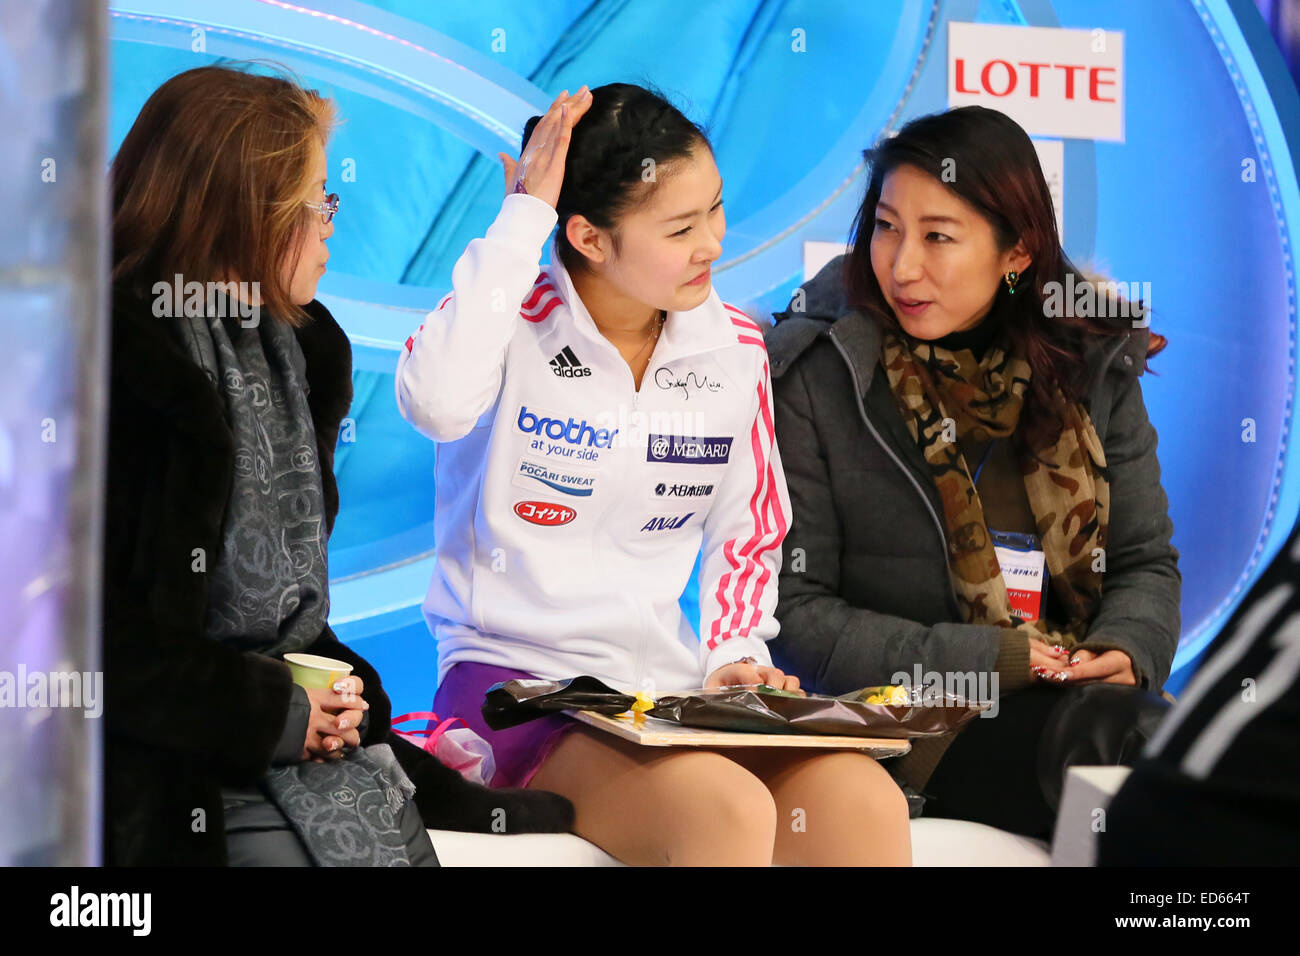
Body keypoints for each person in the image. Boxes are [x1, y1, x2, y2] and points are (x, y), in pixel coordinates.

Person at [397, 82, 911, 866]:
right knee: (724, 810)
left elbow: (748, 529)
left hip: (663, 694)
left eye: (715, 210)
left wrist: (735, 652)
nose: (712, 244)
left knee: (860, 796)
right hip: (512, 689)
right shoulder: (503, 322)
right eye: (680, 227)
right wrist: (523, 218)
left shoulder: (734, 348)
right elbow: (434, 403)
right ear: (589, 237)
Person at [104, 64, 571, 866]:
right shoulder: (107, 360)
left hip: (259, 728)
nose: (331, 228)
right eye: (316, 204)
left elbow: (286, 617)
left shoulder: (304, 349)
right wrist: (275, 712)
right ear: (242, 214)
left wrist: (345, 699)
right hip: (147, 762)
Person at [765, 105, 1181, 839]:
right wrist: (991, 660)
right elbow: (796, 617)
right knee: (1123, 758)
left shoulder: (1090, 359)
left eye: (937, 237)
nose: (902, 265)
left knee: (1181, 754)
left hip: (1079, 699)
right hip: (906, 722)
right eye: (886, 227)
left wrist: (1126, 648)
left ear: (1016, 252)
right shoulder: (822, 366)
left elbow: (1144, 562)